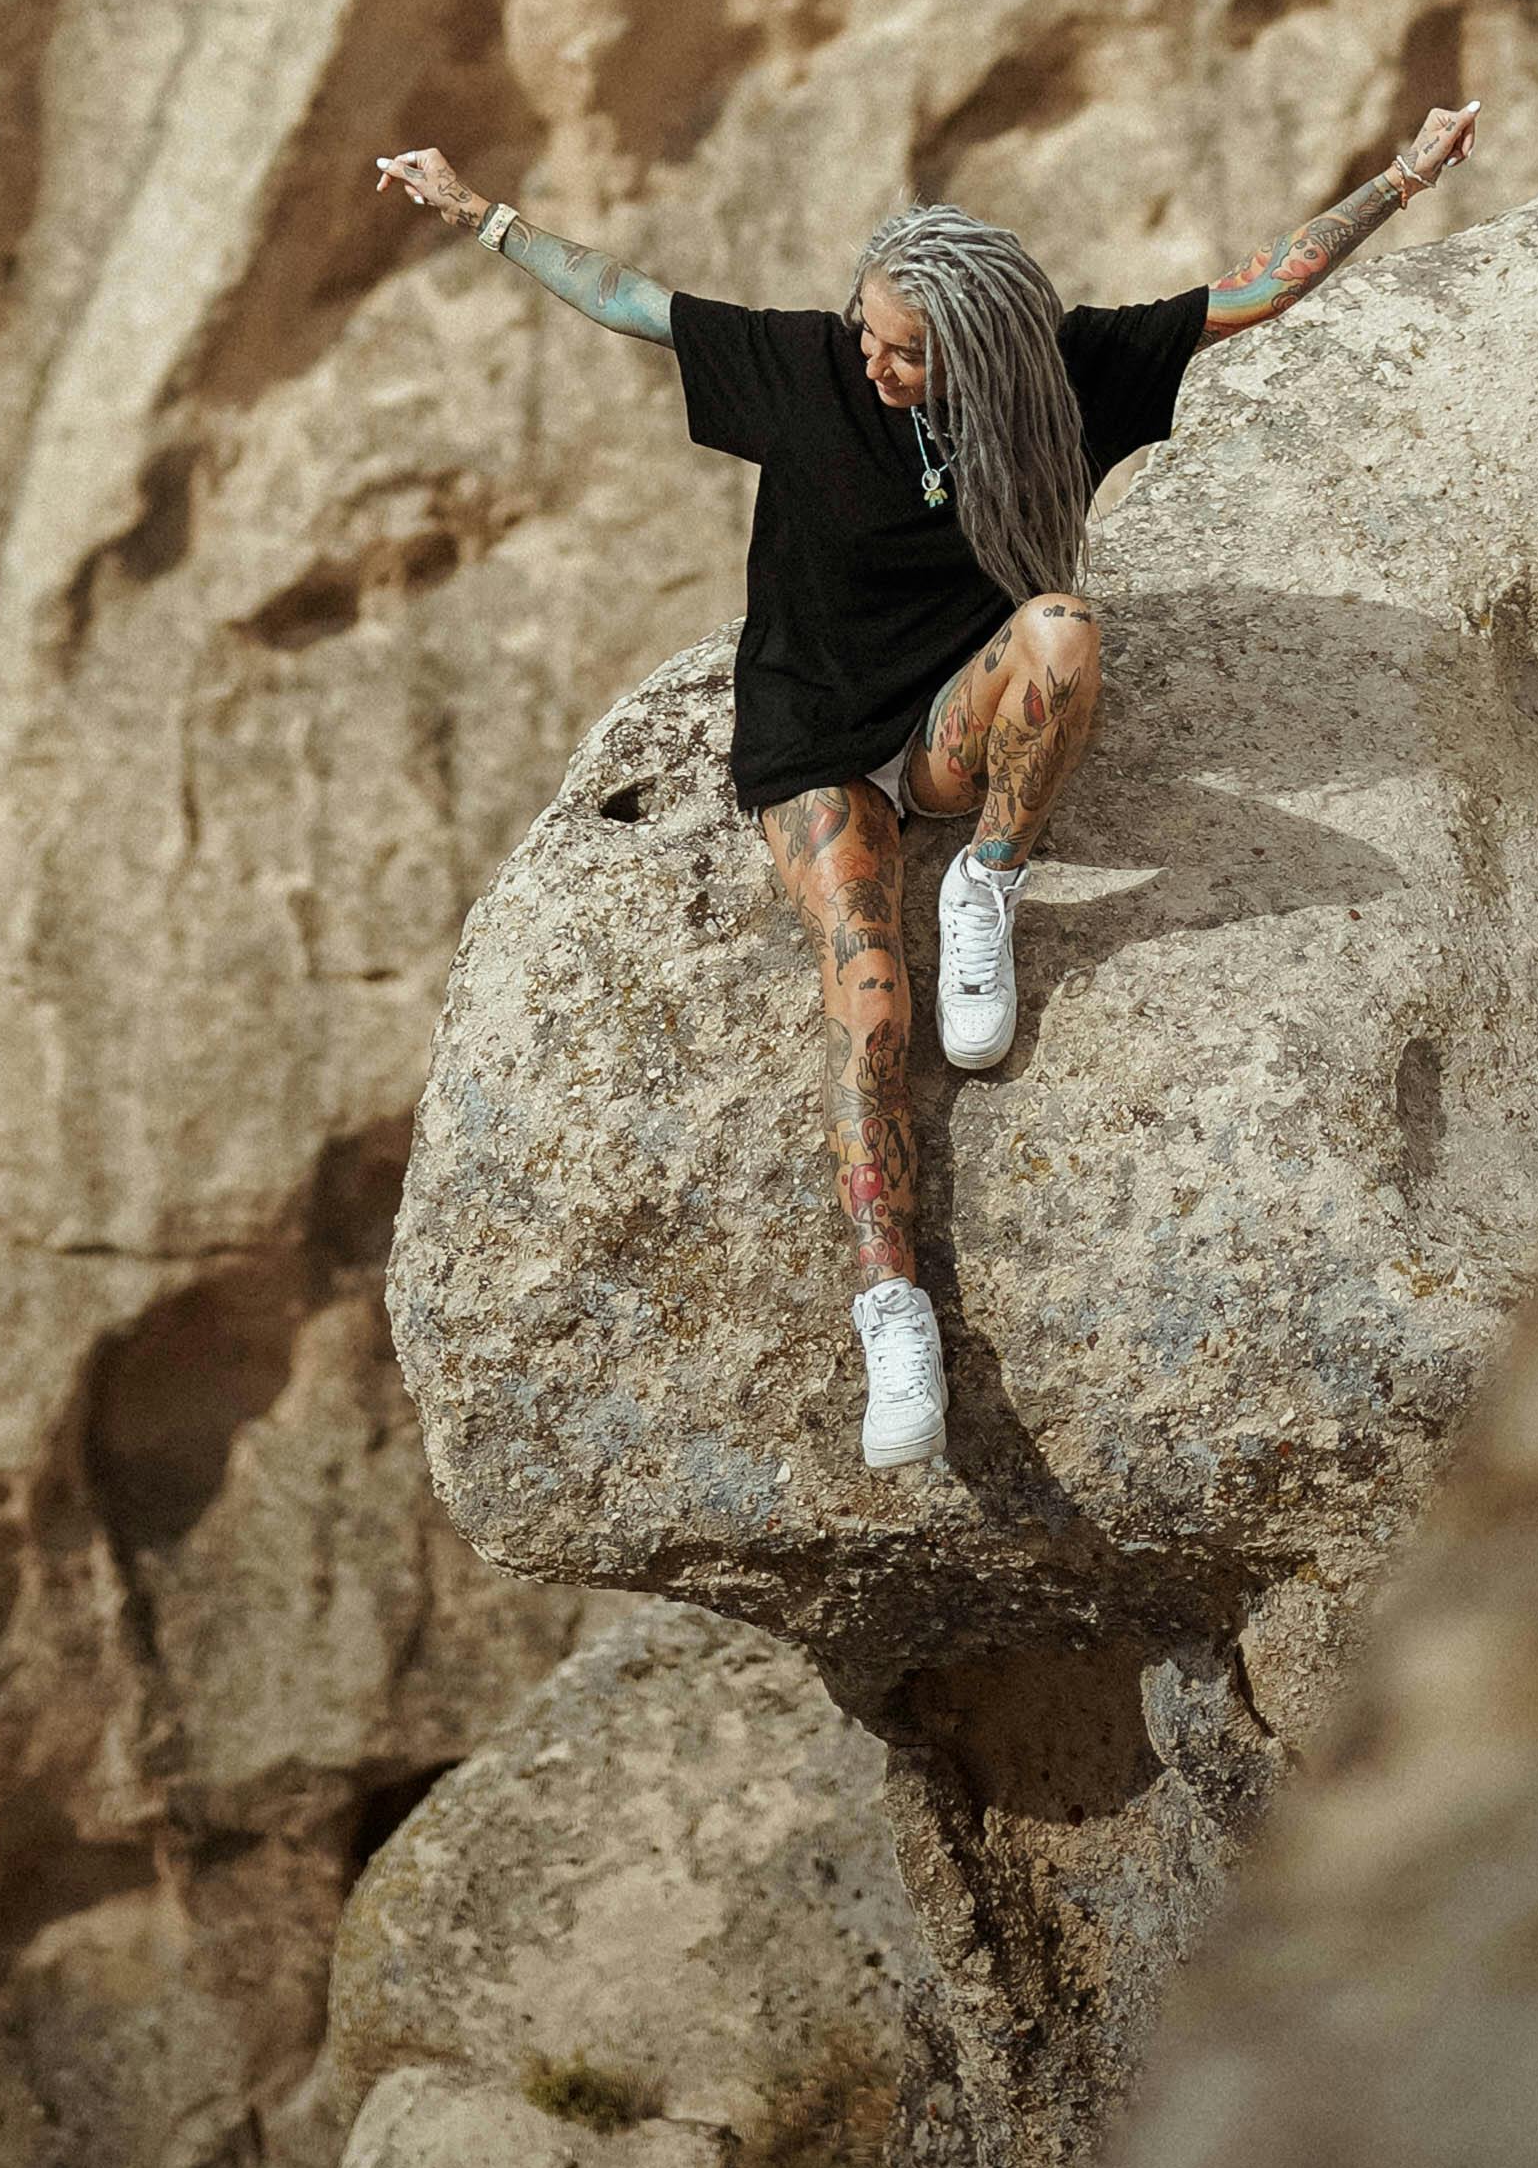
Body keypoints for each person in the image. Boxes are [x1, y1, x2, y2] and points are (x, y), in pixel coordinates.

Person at [371, 106, 1481, 1472]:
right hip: (819, 739)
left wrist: (1407, 175)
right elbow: (628, 300)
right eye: (869, 335)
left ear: (987, 353)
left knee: (1065, 635)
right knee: (870, 994)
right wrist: (474, 210)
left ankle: (988, 884)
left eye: (909, 351)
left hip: (951, 730)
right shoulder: (806, 371)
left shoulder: (1062, 377)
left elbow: (1259, 288)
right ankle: (892, 1310)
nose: (879, 366)